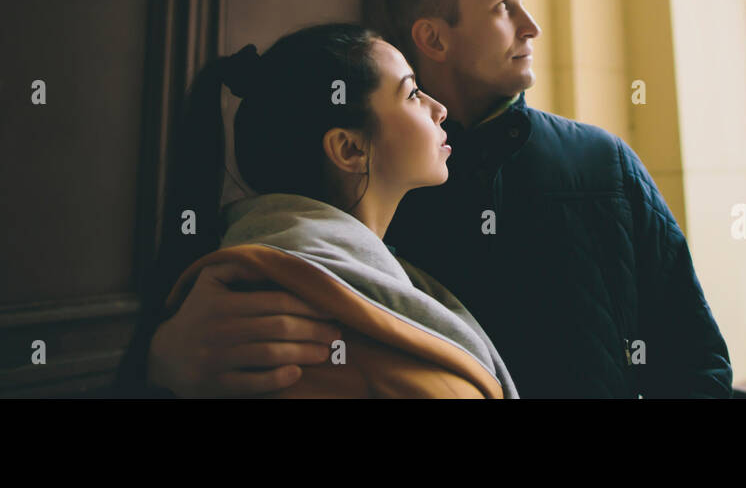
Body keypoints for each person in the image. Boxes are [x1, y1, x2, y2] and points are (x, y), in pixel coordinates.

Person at [128, 0, 732, 398]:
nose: (532, 27)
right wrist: (161, 361)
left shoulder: (602, 163)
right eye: (503, 8)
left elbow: (697, 360)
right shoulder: (339, 214)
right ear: (434, 38)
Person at [123, 22, 516, 398]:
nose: (439, 108)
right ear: (349, 149)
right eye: (412, 94)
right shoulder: (290, 301)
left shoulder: (345, 266)